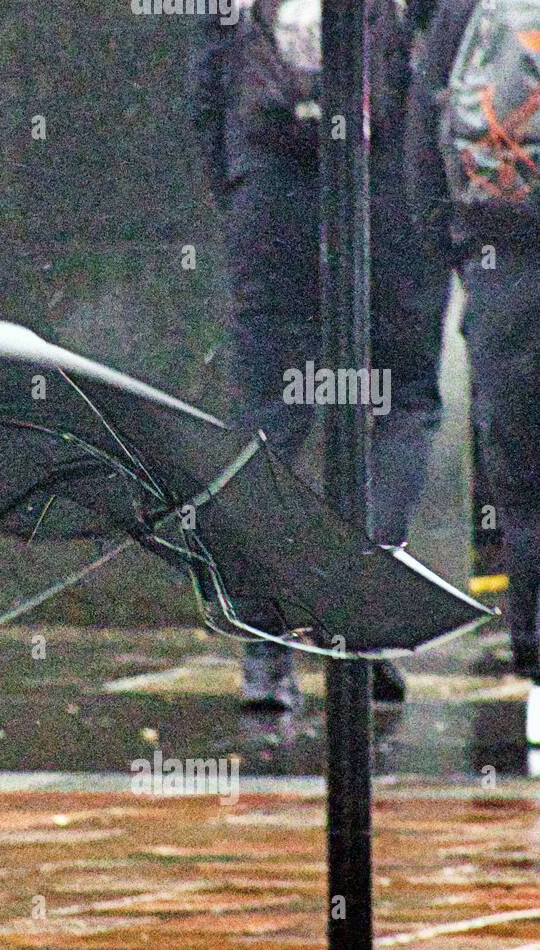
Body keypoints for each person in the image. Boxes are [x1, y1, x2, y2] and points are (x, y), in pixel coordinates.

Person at [189, 0, 447, 710]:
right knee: (402, 404)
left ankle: (265, 653)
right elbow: (444, 58)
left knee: (267, 423)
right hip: (390, 185)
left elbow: (207, 83)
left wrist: (240, 187)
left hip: (270, 191)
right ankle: (361, 626)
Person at [406, 0, 540, 741]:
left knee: (523, 484)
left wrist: (456, 246)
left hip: (504, 263)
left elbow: (424, 132)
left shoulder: (464, 5)